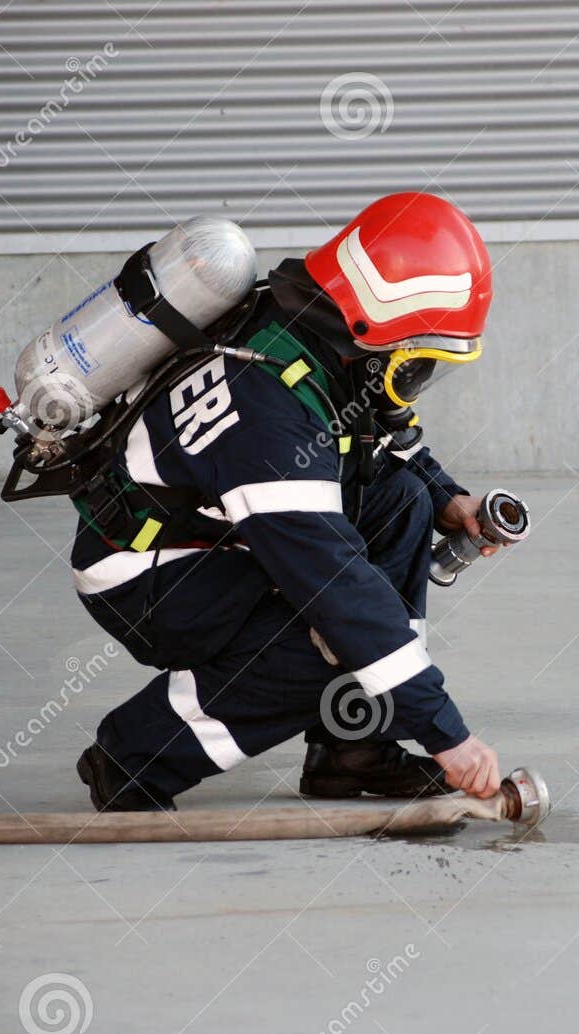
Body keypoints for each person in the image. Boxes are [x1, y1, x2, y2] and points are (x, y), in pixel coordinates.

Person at [70, 192, 507, 812]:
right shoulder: (268, 420)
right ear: (377, 339)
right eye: (420, 366)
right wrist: (447, 735)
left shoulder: (299, 319)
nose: (419, 384)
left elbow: (370, 430)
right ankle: (134, 756)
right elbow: (336, 590)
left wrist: (446, 497)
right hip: (147, 579)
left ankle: (353, 749)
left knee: (402, 500)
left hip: (206, 534)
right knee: (331, 635)